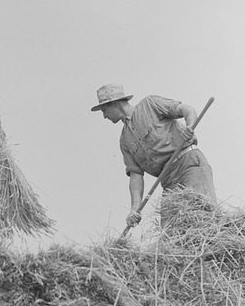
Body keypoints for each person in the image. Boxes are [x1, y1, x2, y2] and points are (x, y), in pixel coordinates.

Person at [90, 84, 216, 229]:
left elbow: (187, 110)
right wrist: (134, 209)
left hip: (189, 165)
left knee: (202, 217)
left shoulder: (149, 105)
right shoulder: (125, 140)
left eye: (104, 110)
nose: (104, 116)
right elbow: (135, 175)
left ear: (114, 103)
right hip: (168, 180)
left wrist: (190, 127)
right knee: (170, 233)